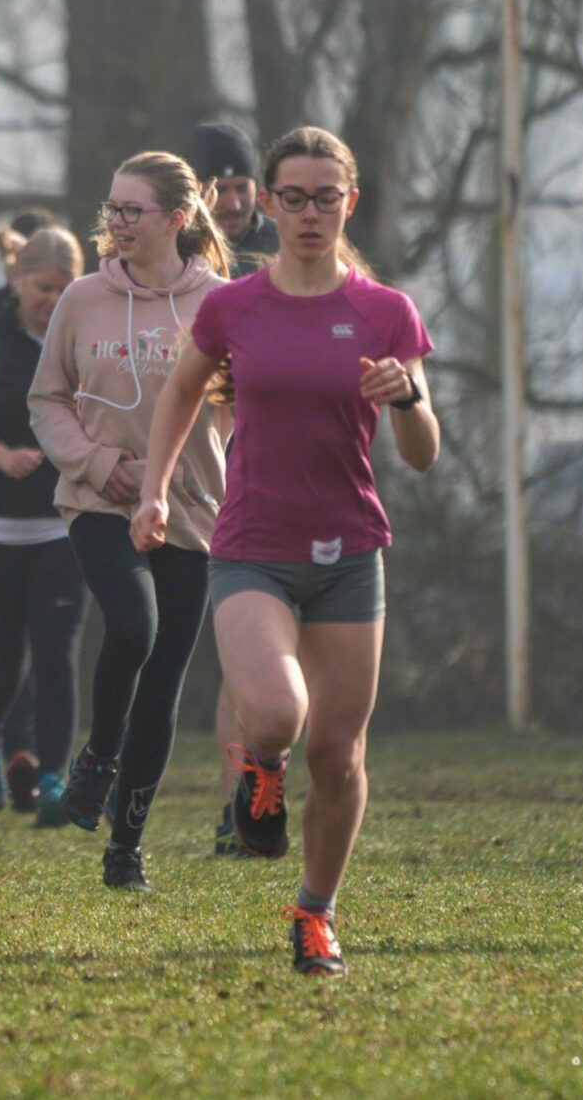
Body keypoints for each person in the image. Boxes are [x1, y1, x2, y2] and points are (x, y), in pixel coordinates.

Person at [135, 125, 438, 977]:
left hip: (351, 552)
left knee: (338, 756)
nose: (310, 213)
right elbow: (180, 394)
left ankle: (315, 912)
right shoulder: (234, 306)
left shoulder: (385, 312)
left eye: (326, 197)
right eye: (294, 198)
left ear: (350, 201)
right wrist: (156, 490)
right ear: (266, 202)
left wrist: (408, 398)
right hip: (251, 547)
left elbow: (422, 452)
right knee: (274, 713)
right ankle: (259, 771)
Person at [28, 151, 233, 893]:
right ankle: (99, 756)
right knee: (133, 626)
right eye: (110, 207)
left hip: (193, 511)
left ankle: (127, 844)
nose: (114, 222)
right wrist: (92, 461)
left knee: (164, 679)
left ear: (176, 219)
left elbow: (251, 405)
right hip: (100, 499)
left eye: (130, 210)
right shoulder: (82, 298)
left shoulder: (222, 304)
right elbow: (47, 399)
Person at [0, 225, 85, 826]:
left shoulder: (84, 340)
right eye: (43, 288)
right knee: (5, 666)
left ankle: (55, 779)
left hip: (63, 523)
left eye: (64, 288)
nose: (53, 300)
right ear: (19, 282)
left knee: (57, 657)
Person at [187, 119, 274, 854]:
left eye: (243, 186)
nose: (234, 201)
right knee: (235, 652)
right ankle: (232, 806)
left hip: (286, 462)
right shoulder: (179, 258)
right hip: (210, 471)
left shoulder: (290, 252)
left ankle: (263, 792)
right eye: (219, 188)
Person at [191, 122, 277, 271]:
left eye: (242, 188)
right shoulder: (175, 249)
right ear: (195, 191)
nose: (234, 205)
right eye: (219, 190)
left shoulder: (286, 243)